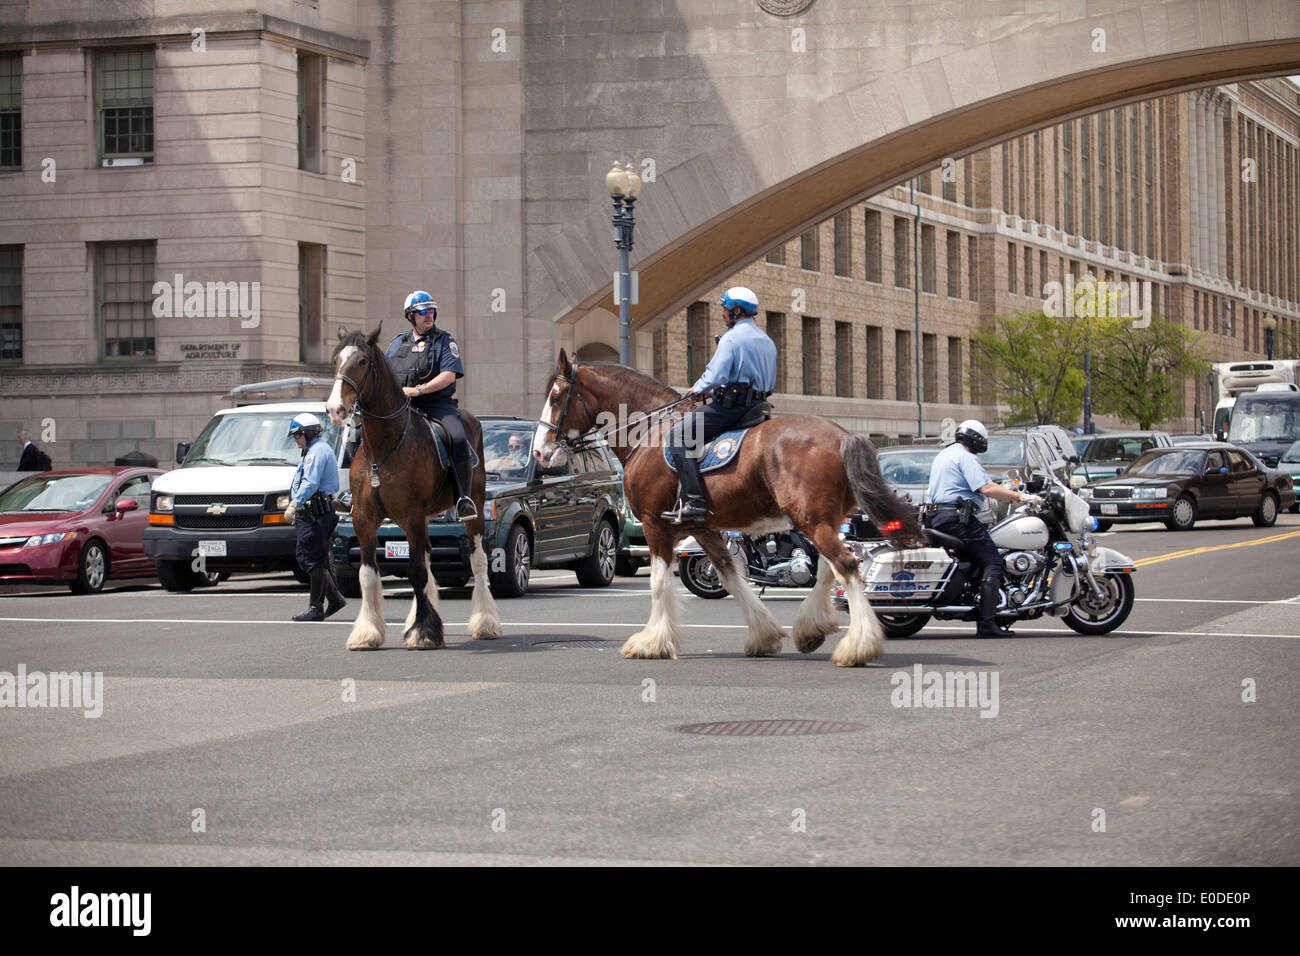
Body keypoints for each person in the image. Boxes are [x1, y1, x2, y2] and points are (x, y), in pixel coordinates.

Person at [662, 286, 777, 524]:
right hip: (759, 407)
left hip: (731, 409)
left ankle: (695, 502)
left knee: (677, 437)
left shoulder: (732, 338)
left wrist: (697, 389)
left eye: (725, 309)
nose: (722, 313)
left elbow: (716, 375)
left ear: (737, 310)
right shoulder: (767, 341)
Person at [921, 419, 1043, 638]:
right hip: (956, 518)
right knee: (993, 561)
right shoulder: (966, 457)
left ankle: (975, 599)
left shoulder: (945, 453)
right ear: (975, 440)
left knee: (977, 558)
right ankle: (987, 622)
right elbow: (985, 487)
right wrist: (1021, 496)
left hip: (936, 516)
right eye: (981, 440)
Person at [387, 291, 477, 520]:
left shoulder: (445, 341)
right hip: (403, 407)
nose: (429, 316)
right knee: (361, 432)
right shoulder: (398, 342)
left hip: (437, 405)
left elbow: (448, 376)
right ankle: (355, 494)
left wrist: (418, 390)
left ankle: (463, 498)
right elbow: (386, 375)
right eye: (423, 312)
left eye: (432, 311)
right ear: (410, 316)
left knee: (457, 437)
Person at [284, 413, 347, 622]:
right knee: (306, 557)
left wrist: (295, 503)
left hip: (316, 511)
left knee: (314, 559)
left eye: (297, 435)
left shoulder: (316, 452)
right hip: (312, 511)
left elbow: (310, 482)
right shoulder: (312, 450)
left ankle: (316, 607)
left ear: (307, 433)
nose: (295, 440)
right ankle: (334, 597)